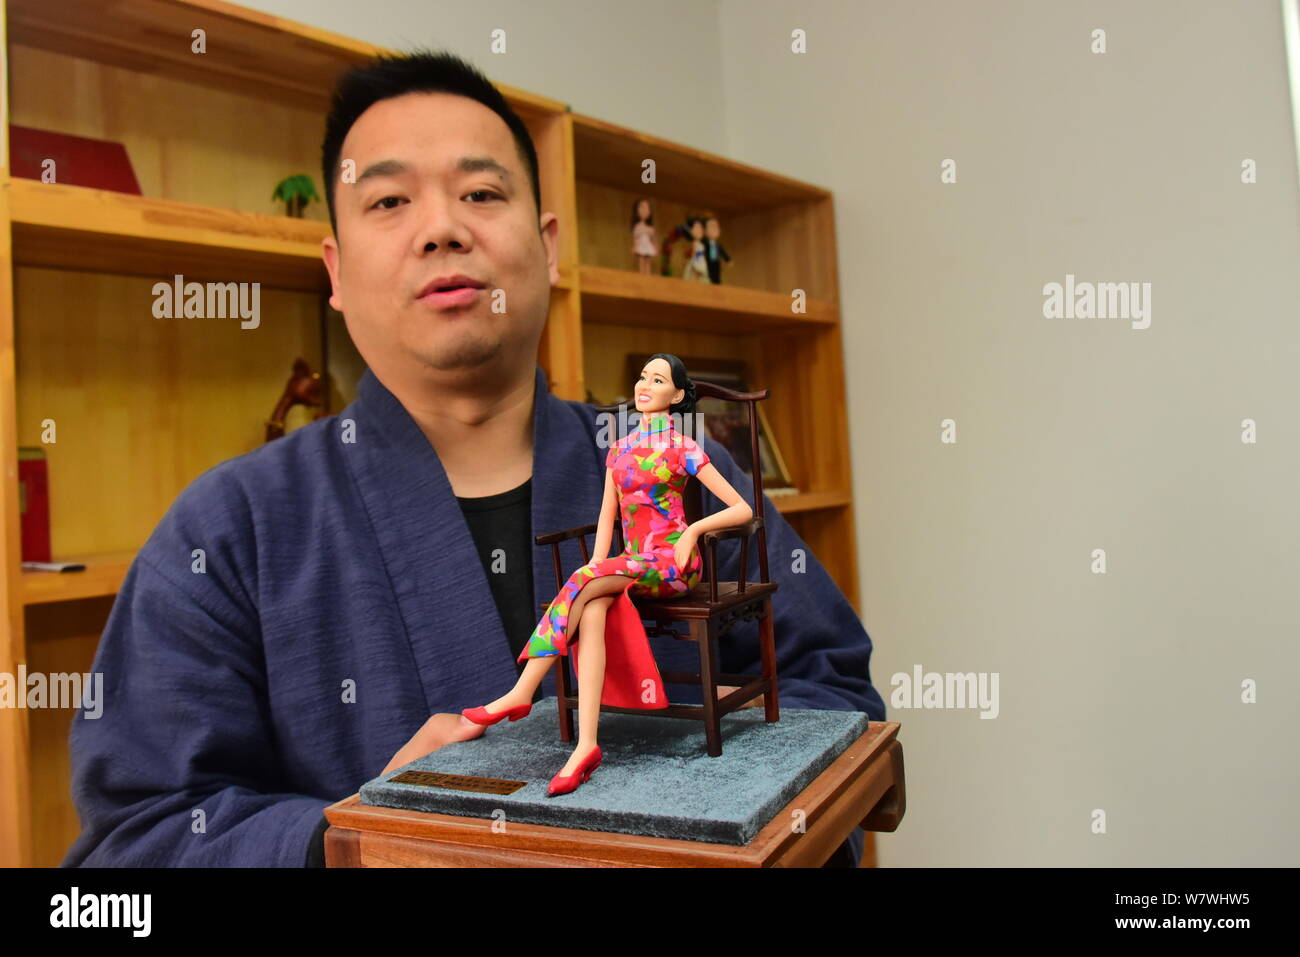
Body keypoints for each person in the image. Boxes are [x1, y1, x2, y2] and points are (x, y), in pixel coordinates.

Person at [61, 49, 885, 868]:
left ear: (548, 245)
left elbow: (831, 685)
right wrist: (353, 845)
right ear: (336, 273)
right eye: (388, 199)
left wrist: (719, 818)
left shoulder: (673, 457)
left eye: (482, 193)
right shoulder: (226, 528)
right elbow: (138, 838)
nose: (442, 228)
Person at [462, 352, 755, 796]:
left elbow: (742, 508)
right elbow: (606, 518)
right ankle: (586, 746)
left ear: (676, 395)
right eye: (642, 376)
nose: (644, 385)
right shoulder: (619, 449)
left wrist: (693, 531)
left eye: (657, 380)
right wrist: (596, 564)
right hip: (630, 563)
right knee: (593, 607)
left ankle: (521, 691)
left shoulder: (684, 446)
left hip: (672, 565)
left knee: (586, 584)